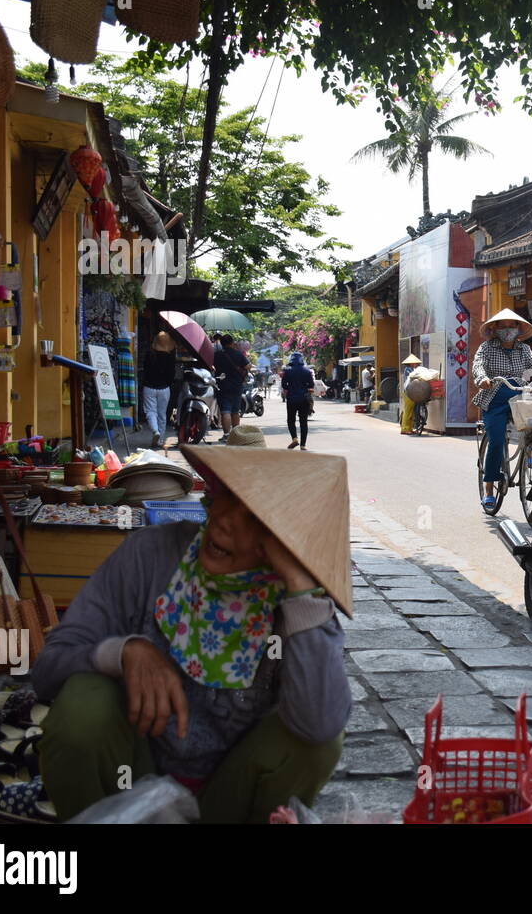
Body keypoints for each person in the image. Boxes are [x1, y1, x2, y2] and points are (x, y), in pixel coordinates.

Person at [32, 445, 352, 823]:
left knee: (317, 743)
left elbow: (322, 726)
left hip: (232, 799)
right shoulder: (149, 555)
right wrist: (125, 653)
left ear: (281, 544)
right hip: (134, 783)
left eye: (254, 519)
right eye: (226, 499)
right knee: (85, 703)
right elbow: (49, 667)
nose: (224, 521)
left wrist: (298, 584)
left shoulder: (299, 603)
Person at [471, 308, 532, 508]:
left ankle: (531, 452)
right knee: (497, 442)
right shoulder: (486, 348)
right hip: (494, 399)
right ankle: (489, 488)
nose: (508, 329)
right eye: (503, 326)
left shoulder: (524, 349)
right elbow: (478, 365)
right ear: (495, 328)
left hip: (518, 396)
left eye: (512, 325)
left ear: (518, 328)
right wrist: (482, 379)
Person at [140, 331, 177, 449]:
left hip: (149, 387)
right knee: (162, 414)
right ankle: (160, 439)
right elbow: (171, 374)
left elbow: (145, 370)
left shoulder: (149, 354)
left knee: (150, 411)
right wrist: (168, 384)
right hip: (164, 389)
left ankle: (155, 431)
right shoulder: (170, 357)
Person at [213, 334, 250, 440]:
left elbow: (212, 366)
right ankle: (236, 435)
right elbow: (248, 366)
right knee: (235, 411)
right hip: (237, 386)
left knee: (225, 411)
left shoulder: (217, 355)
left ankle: (226, 435)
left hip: (222, 385)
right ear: (232, 342)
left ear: (221, 344)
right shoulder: (238, 354)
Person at [281, 352, 315, 450]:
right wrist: (304, 387)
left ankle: (295, 438)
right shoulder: (307, 371)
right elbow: (311, 385)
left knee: (291, 420)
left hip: (291, 399)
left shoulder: (287, 371)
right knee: (303, 422)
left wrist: (290, 388)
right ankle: (303, 445)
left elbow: (284, 385)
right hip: (304, 399)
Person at [400, 353, 422, 435]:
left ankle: (409, 428)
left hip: (412, 391)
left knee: (411, 411)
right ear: (412, 363)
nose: (417, 364)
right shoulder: (408, 369)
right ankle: (405, 429)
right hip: (408, 392)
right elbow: (413, 377)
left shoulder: (411, 369)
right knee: (408, 411)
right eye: (416, 363)